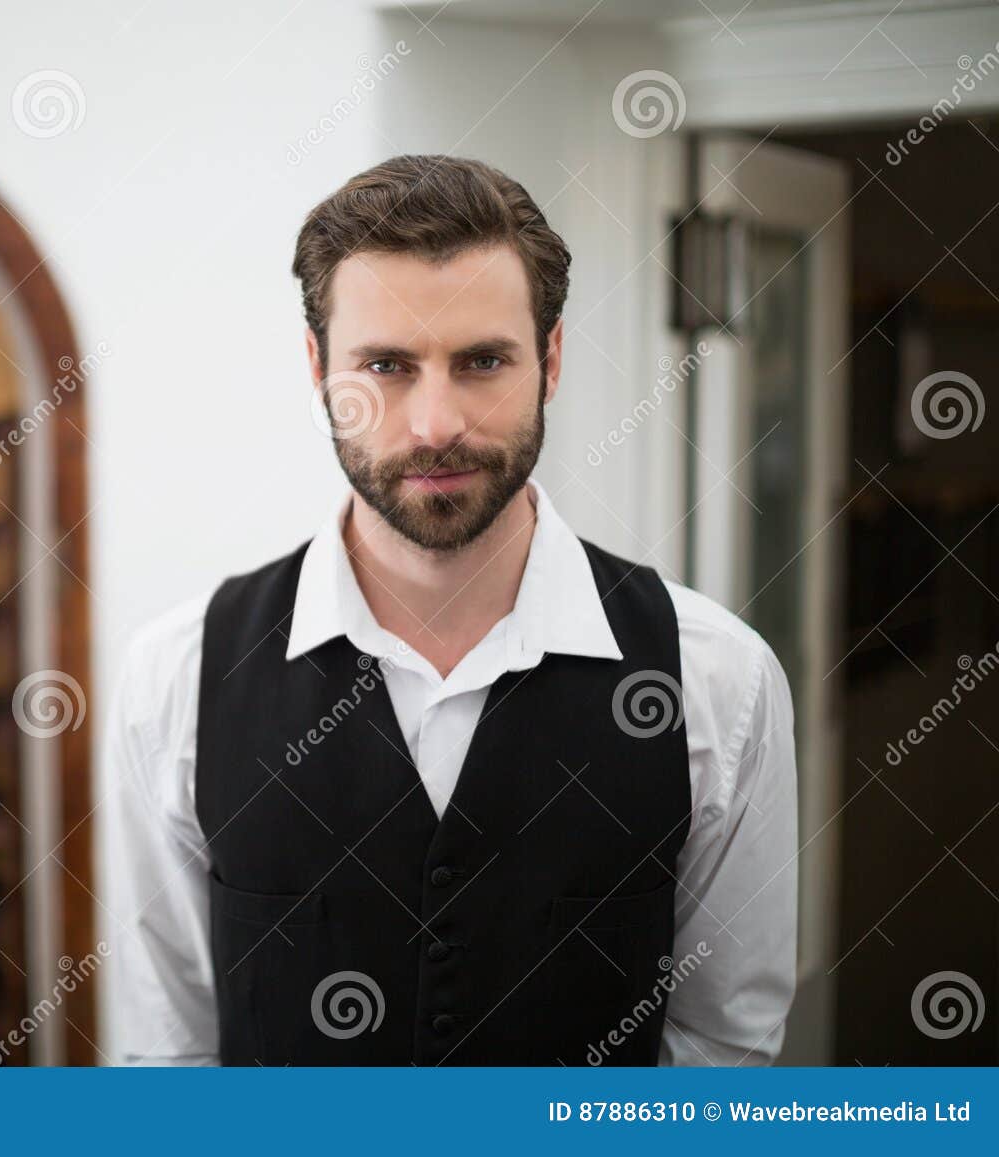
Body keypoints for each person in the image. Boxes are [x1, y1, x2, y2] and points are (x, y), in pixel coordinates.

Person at [107, 155, 797, 1066]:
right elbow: (167, 1057)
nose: (436, 423)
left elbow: (725, 1051)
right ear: (320, 371)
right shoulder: (176, 678)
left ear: (549, 362)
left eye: (481, 362)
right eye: (386, 364)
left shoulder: (721, 679)